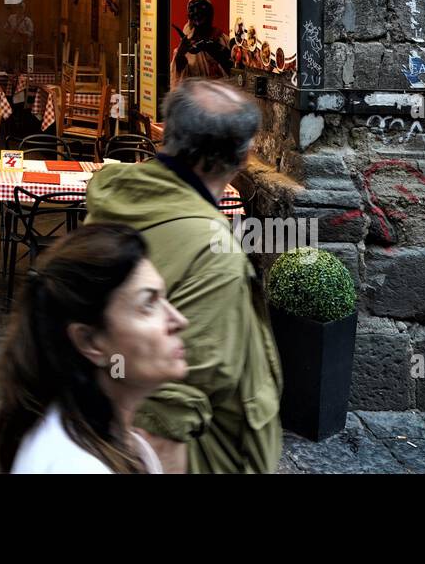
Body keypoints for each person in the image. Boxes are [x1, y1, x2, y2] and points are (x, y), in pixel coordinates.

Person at [83, 79, 282, 474]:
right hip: (207, 457)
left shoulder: (118, 198)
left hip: (102, 417)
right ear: (244, 157)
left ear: (165, 133)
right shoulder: (214, 255)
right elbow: (166, 419)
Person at [0, 224, 187, 473]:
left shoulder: (118, 442)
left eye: (164, 298)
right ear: (90, 341)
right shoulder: (74, 465)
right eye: (148, 304)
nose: (179, 320)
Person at [170, 0, 233, 87]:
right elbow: (179, 75)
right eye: (193, 11)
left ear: (210, 14)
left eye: (201, 11)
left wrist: (218, 52)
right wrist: (180, 55)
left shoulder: (223, 39)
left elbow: (234, 70)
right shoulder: (187, 46)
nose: (197, 14)